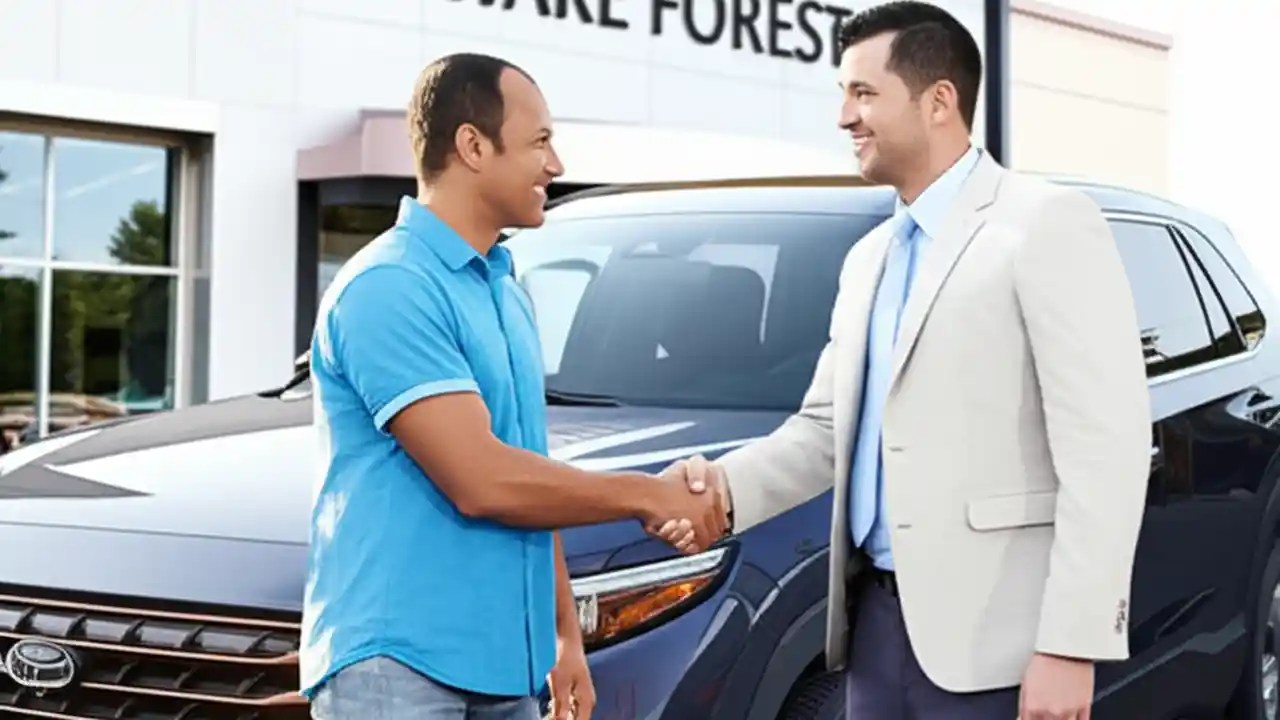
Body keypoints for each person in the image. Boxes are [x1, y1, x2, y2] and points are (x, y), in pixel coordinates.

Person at [658, 2, 1151, 718]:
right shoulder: (869, 260)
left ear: (939, 101)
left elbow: (1104, 449)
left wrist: (1071, 645)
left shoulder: (1045, 224)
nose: (843, 117)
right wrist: (722, 488)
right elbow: (825, 432)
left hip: (998, 648)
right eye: (842, 95)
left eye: (863, 93)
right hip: (874, 630)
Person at [300, 53, 724, 720]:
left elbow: (528, 471)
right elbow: (483, 481)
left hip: (506, 669)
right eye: (540, 142)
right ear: (472, 145)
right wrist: (645, 494)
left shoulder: (503, 287)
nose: (555, 165)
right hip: (399, 670)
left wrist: (563, 638)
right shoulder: (391, 285)